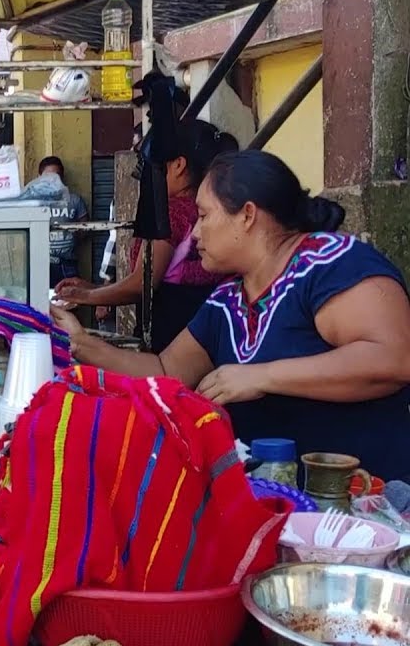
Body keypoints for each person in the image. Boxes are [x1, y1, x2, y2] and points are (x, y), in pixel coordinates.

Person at [52, 150, 410, 480]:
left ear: (248, 216)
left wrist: (261, 377)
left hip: (363, 506)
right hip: (274, 504)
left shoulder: (330, 264)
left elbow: (393, 358)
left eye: (204, 216)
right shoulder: (227, 300)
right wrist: (80, 343)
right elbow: (166, 371)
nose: (193, 234)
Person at [56, 120, 238, 351]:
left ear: (178, 165)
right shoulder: (202, 210)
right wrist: (91, 288)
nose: (145, 174)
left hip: (173, 336)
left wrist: (83, 296)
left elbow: (141, 284)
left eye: (153, 164)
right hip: (202, 332)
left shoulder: (172, 213)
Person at [37, 156, 89, 285]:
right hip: (41, 263)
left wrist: (71, 236)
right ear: (39, 178)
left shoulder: (74, 200)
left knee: (70, 300)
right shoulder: (34, 203)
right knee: (42, 302)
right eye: (48, 177)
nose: (53, 181)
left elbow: (85, 227)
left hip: (68, 264)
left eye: (57, 176)